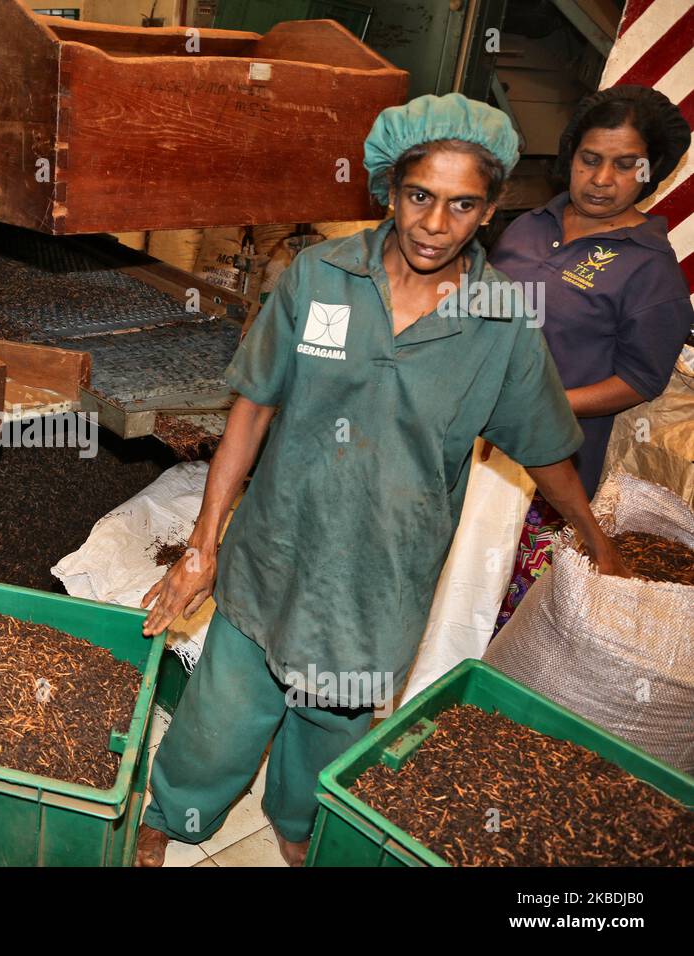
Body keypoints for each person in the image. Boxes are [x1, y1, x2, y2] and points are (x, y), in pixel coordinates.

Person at [132, 94, 629, 868]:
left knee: (332, 720)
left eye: (463, 205)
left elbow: (544, 451)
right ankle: (172, 814)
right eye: (419, 197)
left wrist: (595, 538)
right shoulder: (320, 276)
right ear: (389, 191)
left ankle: (296, 826)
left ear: (490, 210)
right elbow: (252, 410)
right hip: (276, 548)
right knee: (223, 713)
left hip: (383, 574)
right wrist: (204, 546)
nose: (436, 223)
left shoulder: (500, 322)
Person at [490, 85, 693, 631]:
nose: (603, 180)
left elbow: (640, 380)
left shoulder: (650, 270)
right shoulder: (529, 225)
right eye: (590, 160)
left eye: (627, 165)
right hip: (471, 444)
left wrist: (543, 405)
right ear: (570, 157)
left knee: (498, 608)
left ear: (652, 173)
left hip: (551, 472)